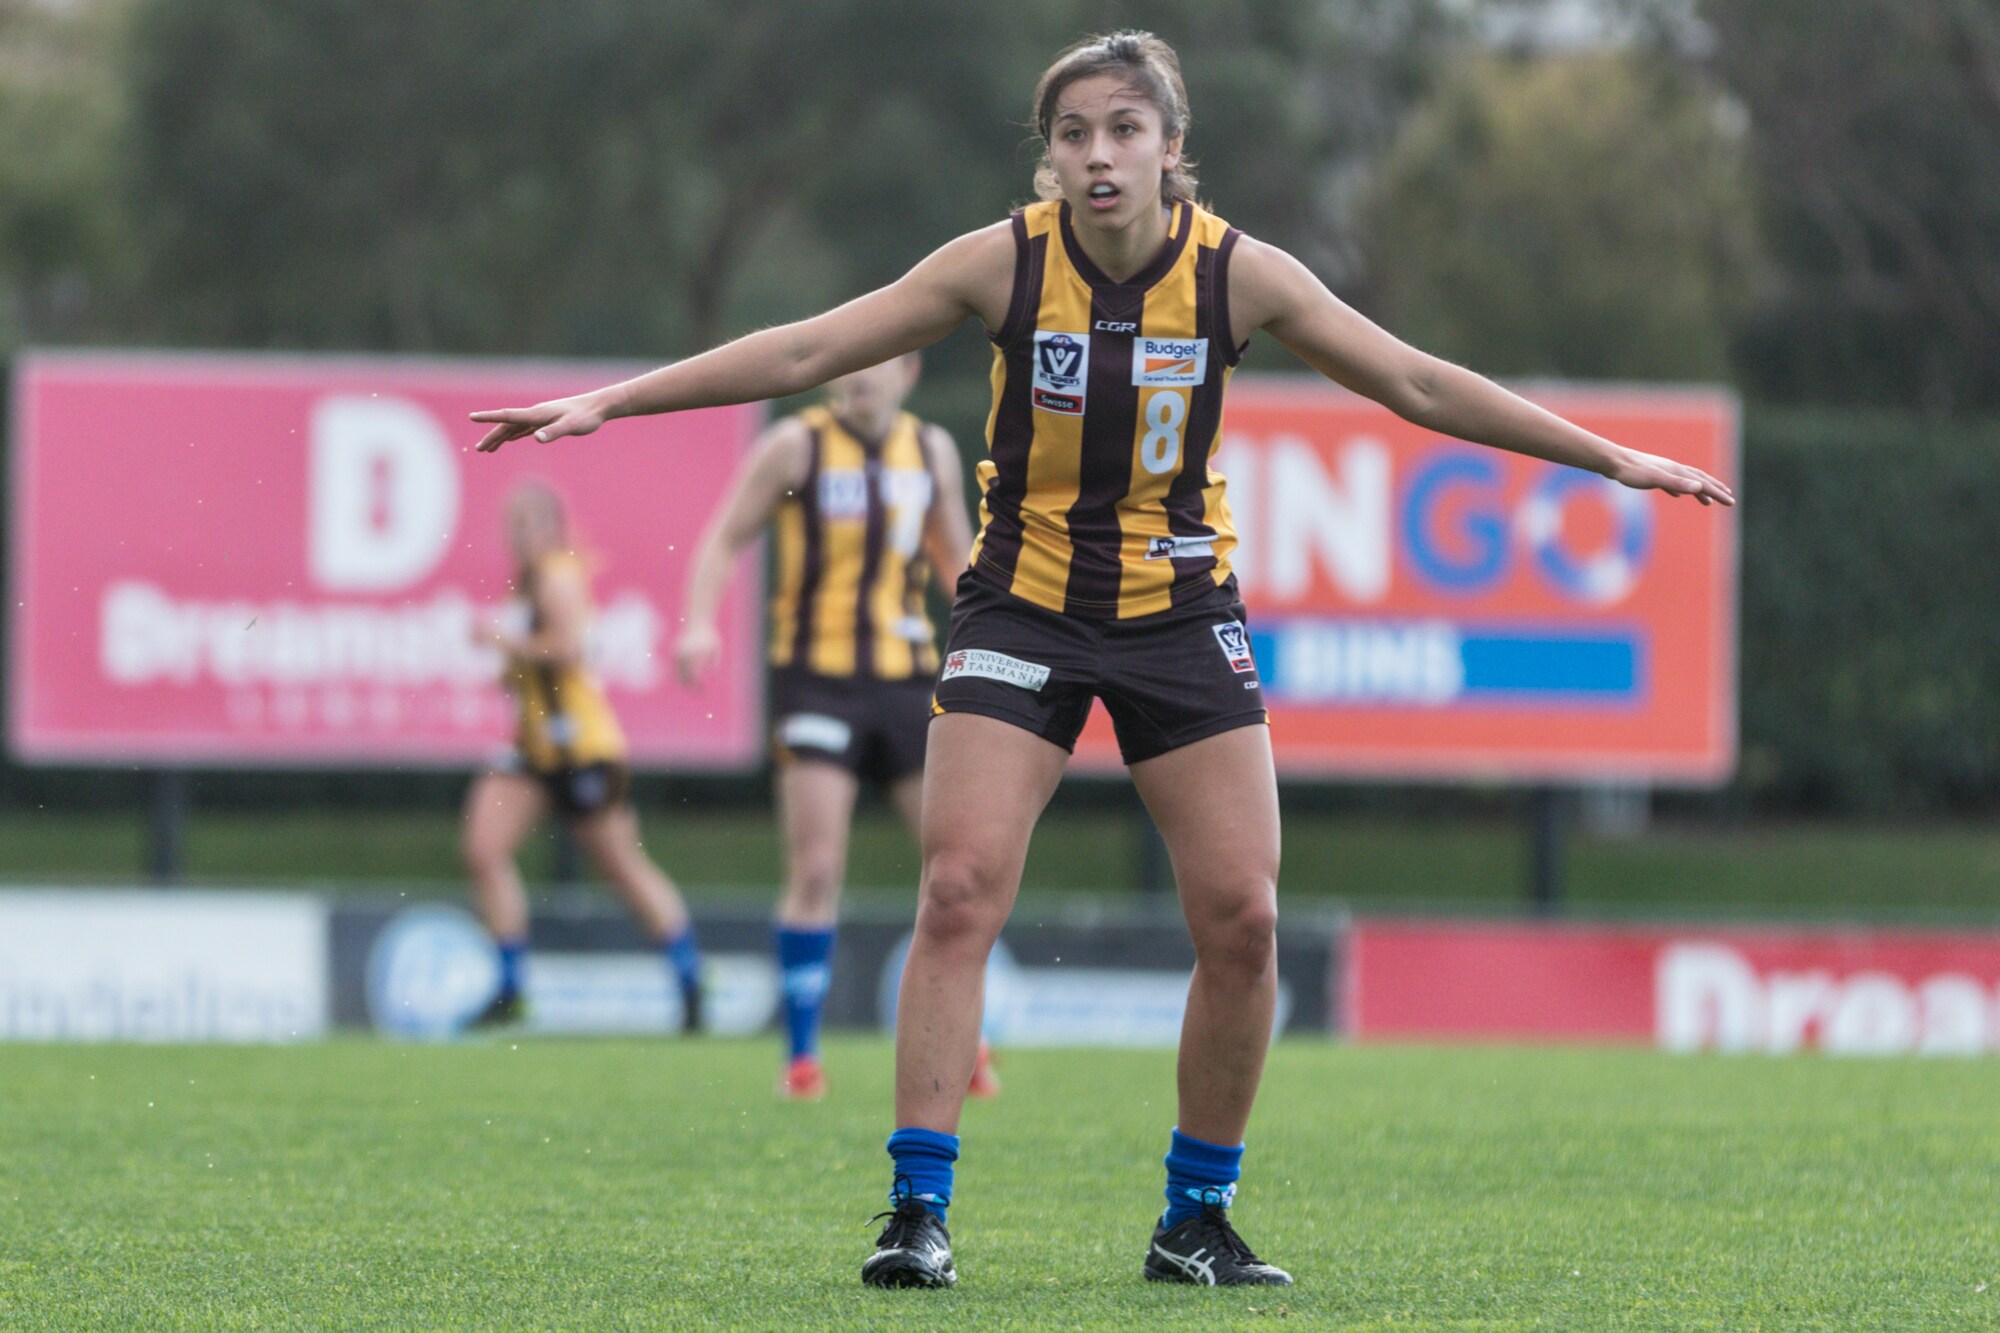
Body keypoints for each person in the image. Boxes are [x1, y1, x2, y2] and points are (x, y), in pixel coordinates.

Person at [469, 30, 1733, 1290]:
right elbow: (807, 349)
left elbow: (1411, 379)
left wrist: (1609, 457)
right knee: (957, 889)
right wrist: (611, 402)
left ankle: (1195, 1217)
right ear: (1050, 158)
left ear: (1171, 149)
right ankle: (916, 1211)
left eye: (1123, 129)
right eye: (1071, 135)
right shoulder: (999, 264)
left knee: (1243, 917)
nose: (1096, 155)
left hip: (1180, 616)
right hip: (1020, 608)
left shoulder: (1241, 276)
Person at [673, 355, 992, 1101]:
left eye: (878, 363)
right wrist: (697, 625)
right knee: (816, 869)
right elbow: (723, 538)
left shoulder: (932, 450)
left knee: (959, 872)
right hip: (817, 678)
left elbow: (959, 559)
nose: (862, 376)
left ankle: (966, 1042)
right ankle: (803, 1055)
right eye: (851, 362)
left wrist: (1009, 635)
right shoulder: (796, 446)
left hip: (910, 678)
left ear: (911, 369)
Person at [462, 480, 705, 1032]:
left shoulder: (557, 577)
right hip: (534, 749)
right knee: (482, 850)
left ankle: (690, 978)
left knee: (621, 867)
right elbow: (530, 665)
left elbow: (567, 650)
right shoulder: (523, 588)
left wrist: (500, 643)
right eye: (512, 526)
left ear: (550, 528)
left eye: (527, 524)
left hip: (583, 749)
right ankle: (510, 986)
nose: (517, 537)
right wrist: (508, 660)